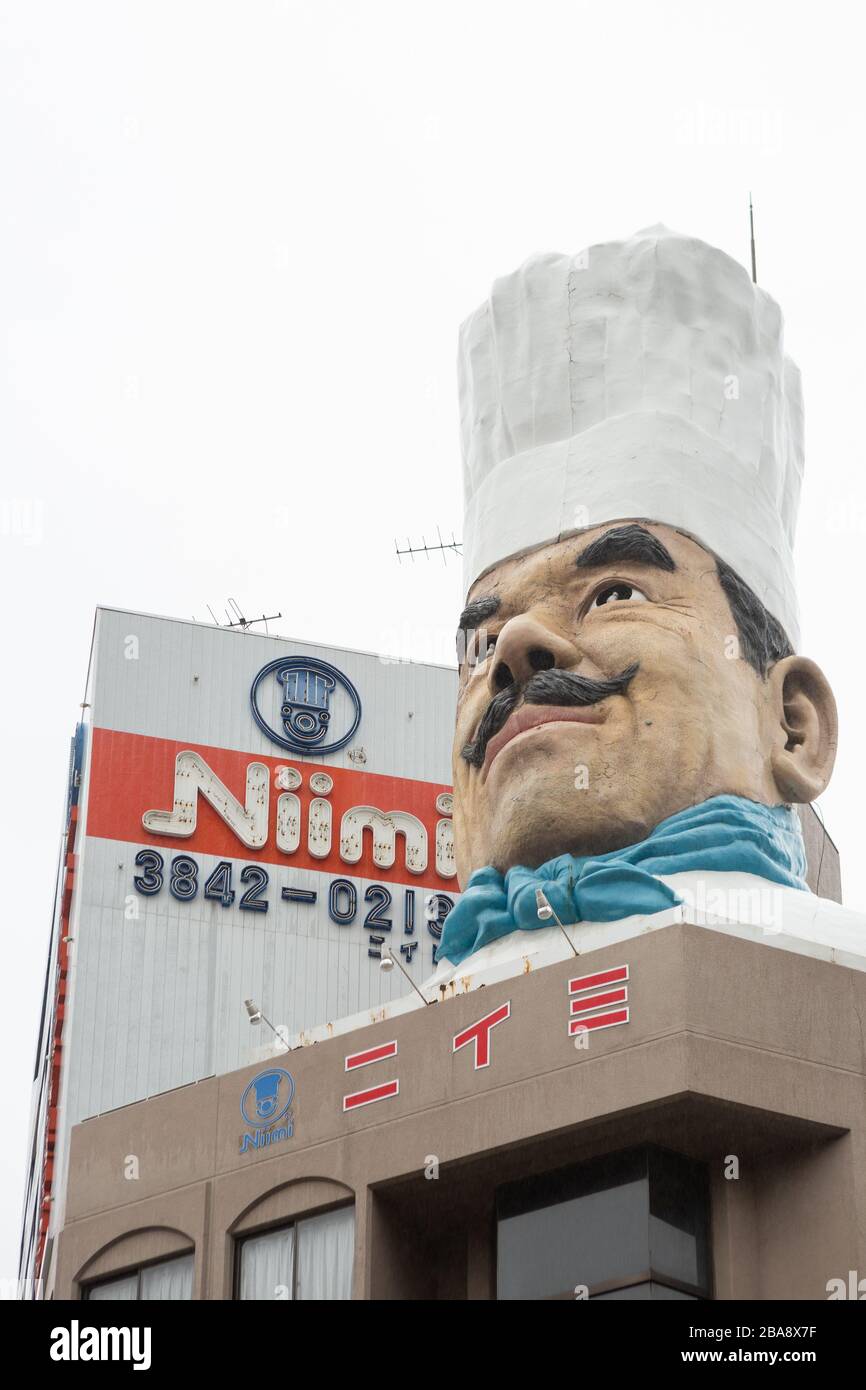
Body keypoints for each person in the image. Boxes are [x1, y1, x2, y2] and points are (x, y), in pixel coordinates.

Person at [429, 226, 865, 983]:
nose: (514, 646)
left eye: (613, 593)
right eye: (481, 641)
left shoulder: (821, 980)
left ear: (794, 724)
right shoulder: (403, 1044)